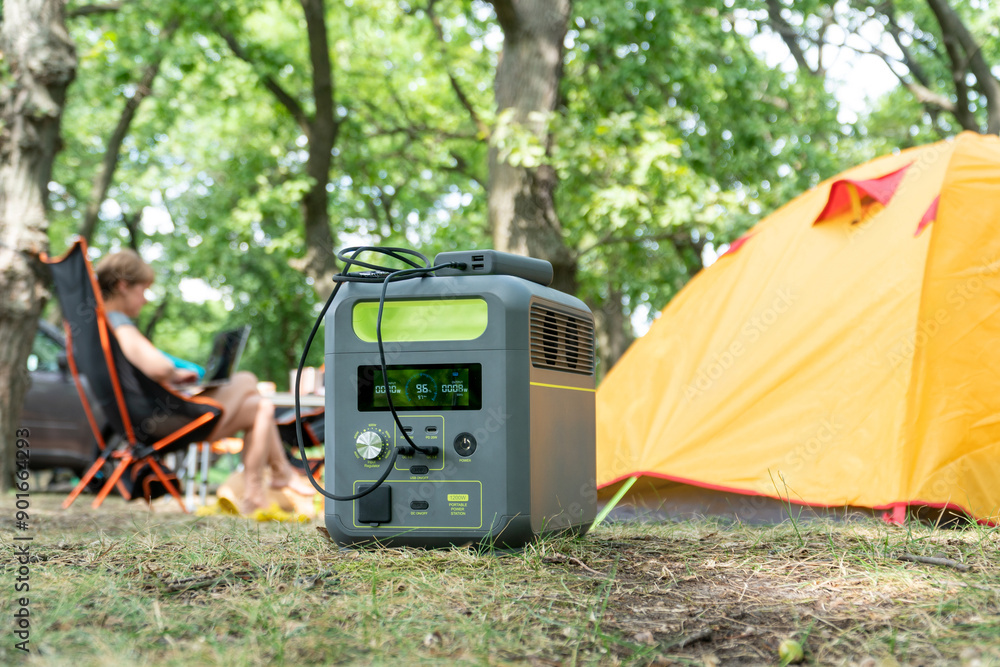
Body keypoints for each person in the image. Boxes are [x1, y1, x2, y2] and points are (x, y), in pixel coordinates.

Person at [95, 249, 315, 514]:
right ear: (122, 286)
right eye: (143, 290)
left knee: (260, 406)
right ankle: (281, 473)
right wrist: (175, 375)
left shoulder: (97, 326)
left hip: (145, 417)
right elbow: (159, 367)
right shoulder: (117, 322)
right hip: (159, 421)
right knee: (246, 379)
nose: (145, 299)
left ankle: (256, 492)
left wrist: (177, 382)